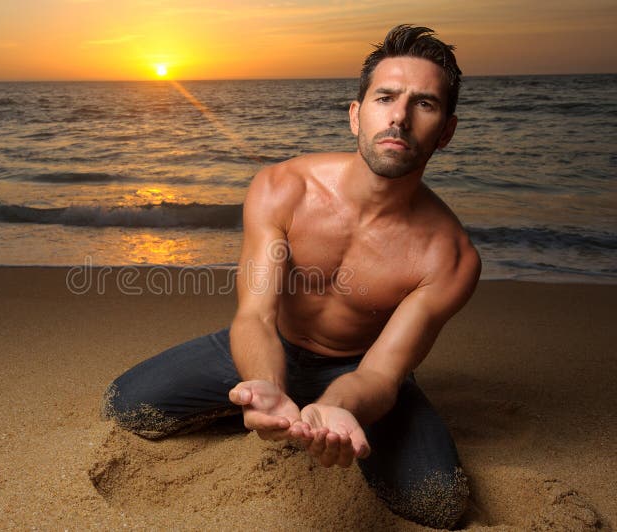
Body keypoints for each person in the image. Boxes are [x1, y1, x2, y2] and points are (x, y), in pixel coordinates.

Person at [101, 24, 481, 529]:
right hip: (271, 344)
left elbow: (380, 375)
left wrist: (341, 409)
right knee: (122, 407)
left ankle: (312, 414)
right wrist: (265, 387)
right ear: (356, 114)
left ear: (447, 131)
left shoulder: (449, 257)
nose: (399, 117)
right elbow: (255, 316)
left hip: (357, 369)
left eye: (425, 104)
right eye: (385, 97)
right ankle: (270, 406)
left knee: (439, 504)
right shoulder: (284, 188)